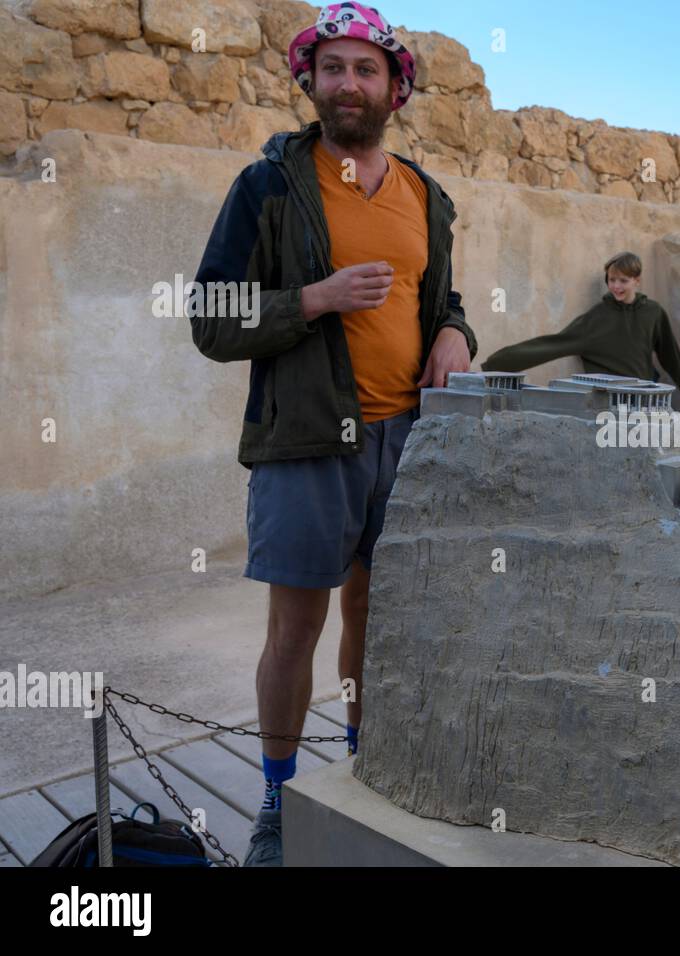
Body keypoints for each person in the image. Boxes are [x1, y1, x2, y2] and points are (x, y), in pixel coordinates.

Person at [190, 2, 475, 865]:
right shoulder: (270, 184)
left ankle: (363, 772)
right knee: (294, 628)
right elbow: (210, 315)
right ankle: (278, 802)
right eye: (334, 68)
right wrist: (312, 299)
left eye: (367, 69)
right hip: (310, 440)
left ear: (396, 88)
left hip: (409, 442)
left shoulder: (428, 196)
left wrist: (457, 333)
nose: (348, 83)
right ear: (308, 81)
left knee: (376, 619)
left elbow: (442, 302)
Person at [481, 252, 680, 411]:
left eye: (623, 281)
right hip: (607, 405)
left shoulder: (653, 312)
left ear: (637, 280)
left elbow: (671, 357)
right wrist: (495, 365)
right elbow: (553, 345)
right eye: (612, 280)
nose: (616, 286)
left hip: (643, 401)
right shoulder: (597, 317)